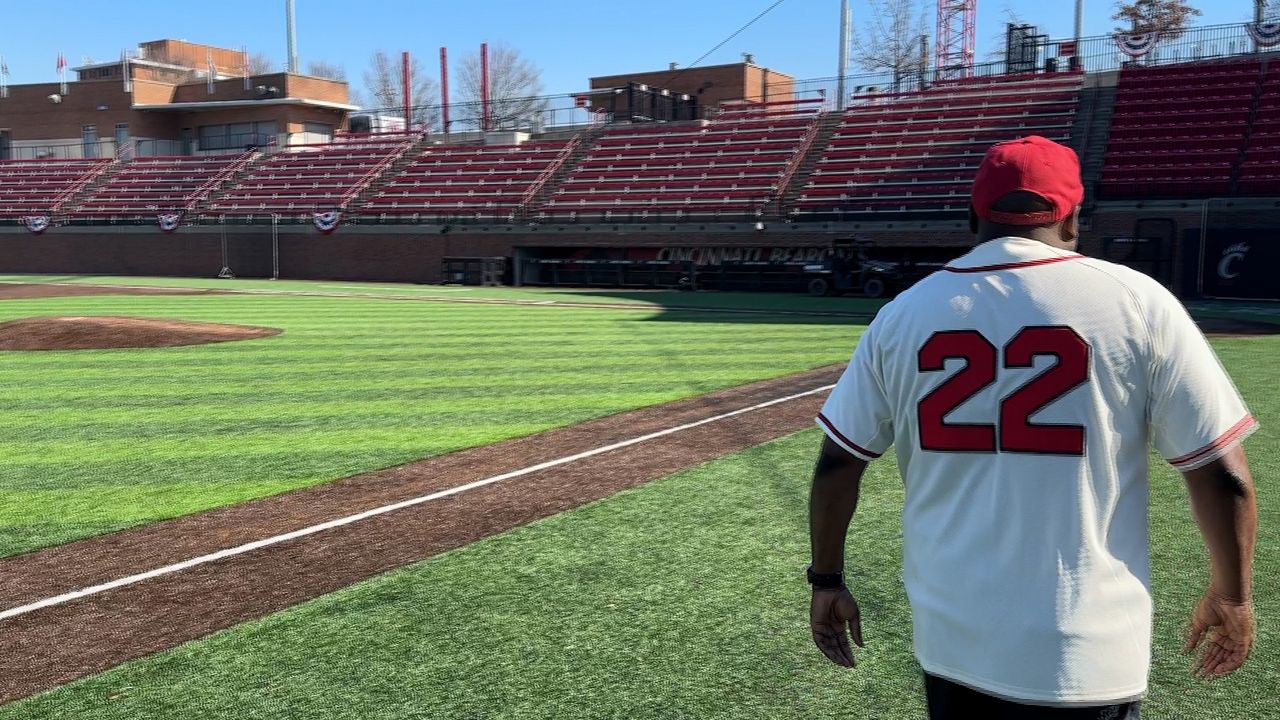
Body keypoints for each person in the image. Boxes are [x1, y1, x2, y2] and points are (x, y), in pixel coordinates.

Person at [806, 135, 1258, 719]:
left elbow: (839, 462)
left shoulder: (903, 313)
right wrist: (1233, 595)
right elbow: (1222, 475)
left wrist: (826, 579)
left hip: (953, 641)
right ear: (1073, 216)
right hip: (1088, 647)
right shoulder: (1137, 301)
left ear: (974, 214)